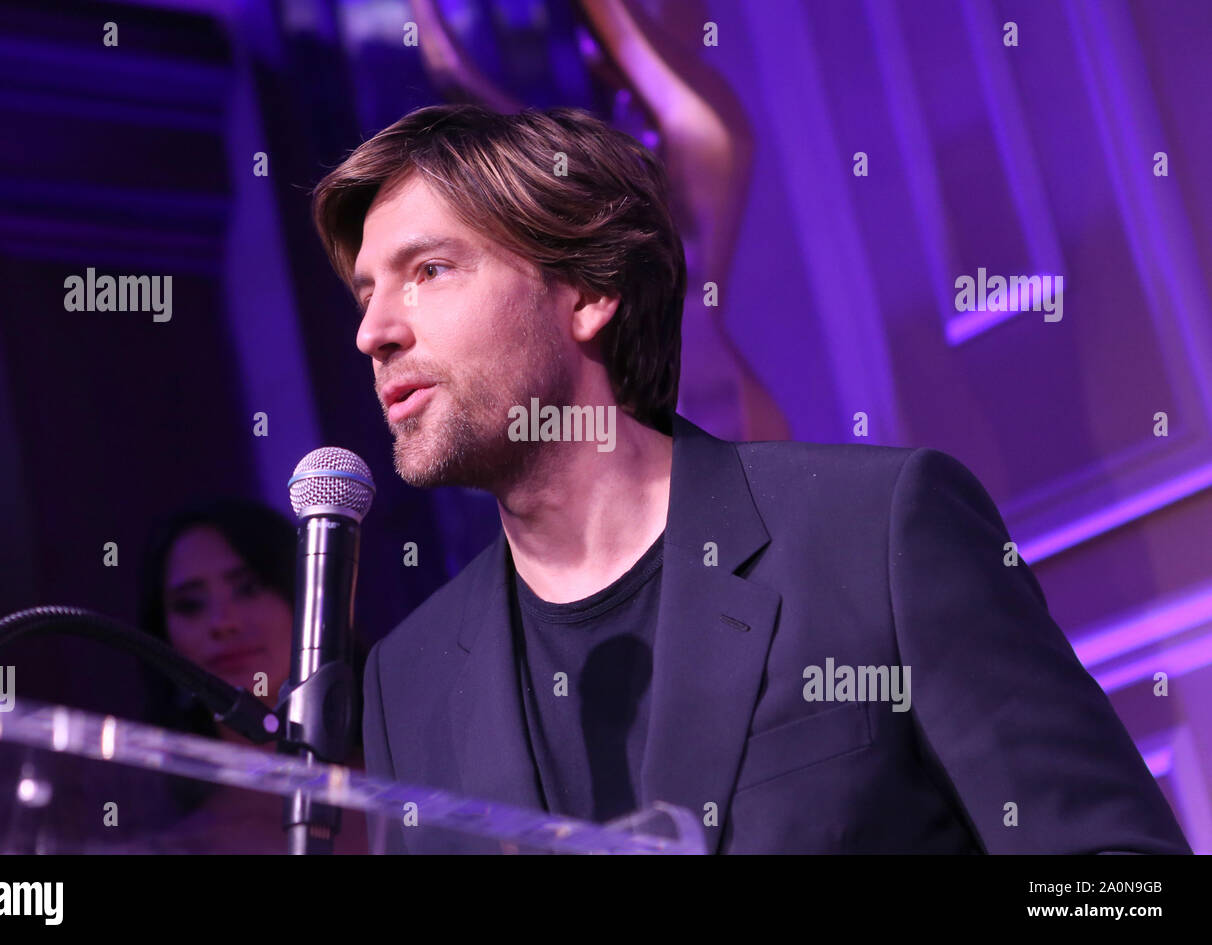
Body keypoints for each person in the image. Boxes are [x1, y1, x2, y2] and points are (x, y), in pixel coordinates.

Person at [310, 104, 1192, 854]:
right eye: (364, 294)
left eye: (428, 272)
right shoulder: (406, 681)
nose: (375, 331)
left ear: (585, 291)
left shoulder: (876, 531)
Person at [133, 497, 369, 854]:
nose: (222, 623)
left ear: (303, 594)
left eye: (248, 588)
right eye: (190, 604)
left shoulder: (405, 768)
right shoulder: (178, 844)